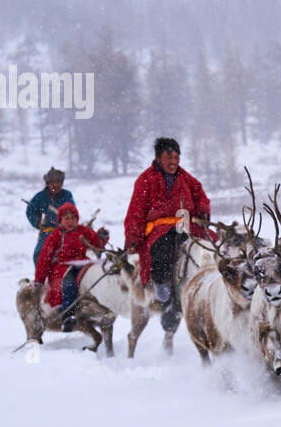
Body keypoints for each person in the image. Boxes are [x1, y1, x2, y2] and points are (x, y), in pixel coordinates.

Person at [123, 137, 214, 337]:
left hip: (186, 224)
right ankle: (167, 302)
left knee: (214, 247)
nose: (173, 161)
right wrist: (132, 238)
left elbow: (201, 197)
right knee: (162, 256)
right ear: (158, 157)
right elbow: (136, 212)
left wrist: (203, 213)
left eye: (176, 157)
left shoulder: (186, 178)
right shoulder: (145, 180)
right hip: (160, 229)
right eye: (168, 157)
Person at [33, 202, 107, 332]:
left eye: (73, 218)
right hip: (63, 267)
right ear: (60, 220)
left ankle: (103, 305)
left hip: (83, 263)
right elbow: (44, 259)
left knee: (99, 276)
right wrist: (39, 279)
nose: (70, 222)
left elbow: (98, 244)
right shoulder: (55, 235)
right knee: (69, 283)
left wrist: (102, 236)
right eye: (66, 218)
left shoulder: (83, 231)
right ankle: (68, 315)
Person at [26, 168, 74, 267]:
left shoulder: (67, 195)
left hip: (66, 232)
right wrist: (38, 222)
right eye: (53, 183)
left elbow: (73, 210)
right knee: (40, 254)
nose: (56, 185)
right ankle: (41, 279)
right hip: (47, 232)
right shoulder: (40, 197)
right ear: (48, 183)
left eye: (58, 182)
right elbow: (30, 211)